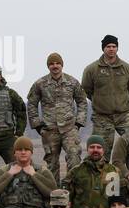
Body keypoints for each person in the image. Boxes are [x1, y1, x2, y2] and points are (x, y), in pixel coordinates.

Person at [26, 51, 88, 180]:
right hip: (49, 130)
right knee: (51, 164)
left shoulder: (72, 82)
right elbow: (31, 104)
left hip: (69, 129)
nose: (55, 66)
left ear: (62, 65)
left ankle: (72, 191)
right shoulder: (40, 84)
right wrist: (38, 126)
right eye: (52, 64)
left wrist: (78, 123)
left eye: (58, 63)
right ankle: (53, 194)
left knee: (74, 157)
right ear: (48, 66)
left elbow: (82, 101)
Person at [0, 136, 57, 208]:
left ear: (31, 152)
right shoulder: (5, 170)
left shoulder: (42, 171)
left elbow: (52, 192)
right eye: (19, 150)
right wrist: (9, 174)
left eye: (26, 150)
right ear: (14, 152)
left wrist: (34, 175)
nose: (23, 152)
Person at [82, 34, 129, 139]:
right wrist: (99, 100)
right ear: (103, 48)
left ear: (117, 48)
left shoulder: (126, 68)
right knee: (101, 150)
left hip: (123, 115)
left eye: (114, 46)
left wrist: (121, 99)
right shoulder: (92, 69)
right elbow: (86, 89)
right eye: (108, 47)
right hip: (102, 117)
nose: (111, 49)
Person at [62, 134, 119, 208]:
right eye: (92, 147)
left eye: (99, 147)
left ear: (103, 150)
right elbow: (66, 199)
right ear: (87, 149)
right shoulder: (76, 171)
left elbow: (120, 200)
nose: (95, 150)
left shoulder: (114, 171)